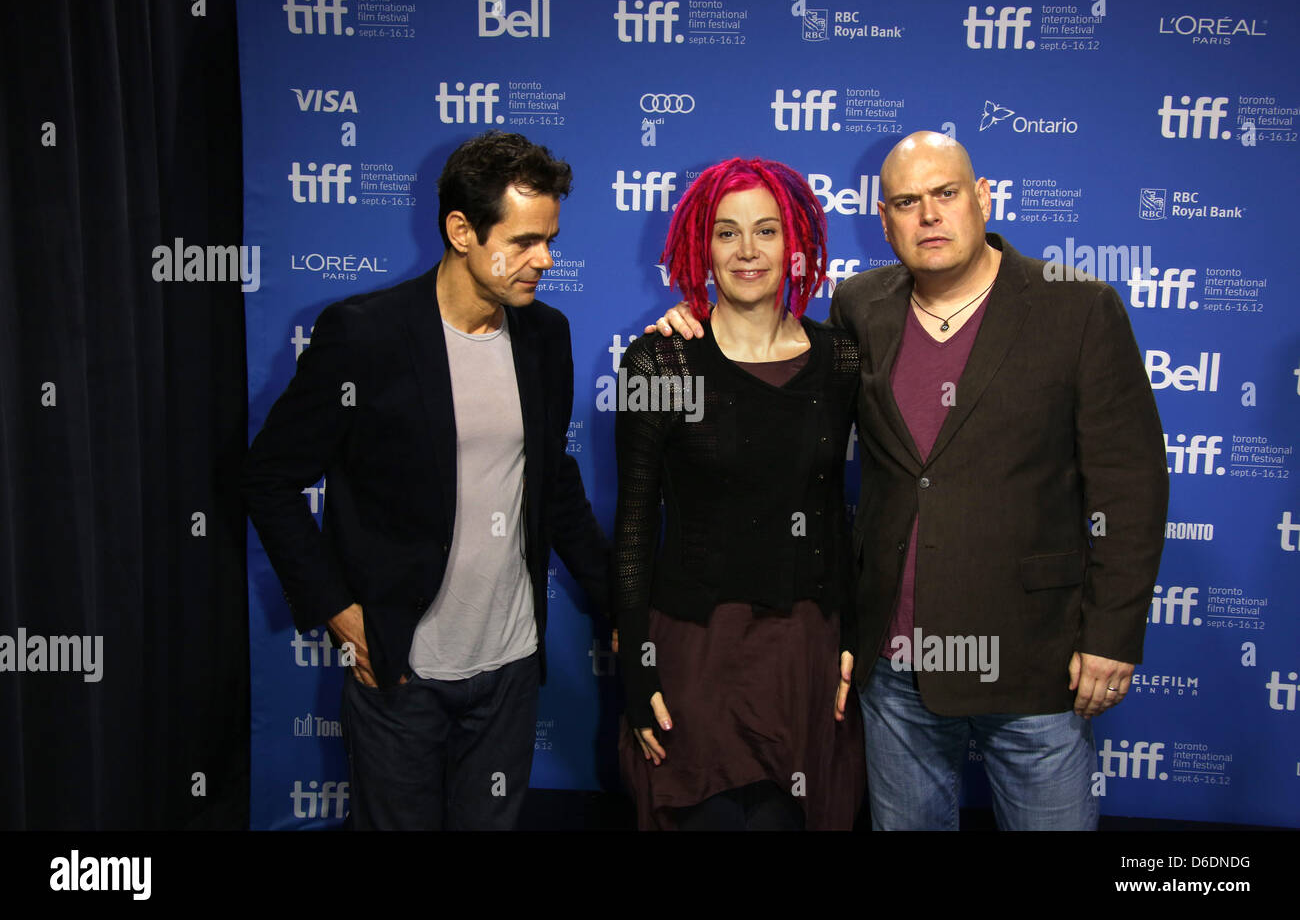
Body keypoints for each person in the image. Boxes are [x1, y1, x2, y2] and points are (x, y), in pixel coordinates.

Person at [654, 132, 1168, 830]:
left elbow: (1130, 484)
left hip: (1034, 661)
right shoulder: (861, 308)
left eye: (944, 194)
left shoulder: (1076, 307)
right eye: (906, 202)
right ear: (884, 216)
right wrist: (693, 325)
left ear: (982, 198)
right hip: (893, 673)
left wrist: (1111, 635)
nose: (928, 215)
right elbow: (775, 387)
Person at [242, 130, 610, 830]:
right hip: (399, 668)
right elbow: (269, 478)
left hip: (508, 672)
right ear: (462, 230)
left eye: (550, 238)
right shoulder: (364, 334)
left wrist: (615, 600)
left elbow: (550, 482)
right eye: (526, 241)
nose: (546, 259)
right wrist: (342, 616)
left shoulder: (544, 337)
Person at [617, 158, 865, 830]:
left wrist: (854, 635)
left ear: (796, 245)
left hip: (804, 652)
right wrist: (636, 676)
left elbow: (839, 515)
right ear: (703, 248)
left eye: (766, 231)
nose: (748, 251)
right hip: (696, 654)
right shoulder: (658, 361)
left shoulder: (841, 360)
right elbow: (634, 529)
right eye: (727, 234)